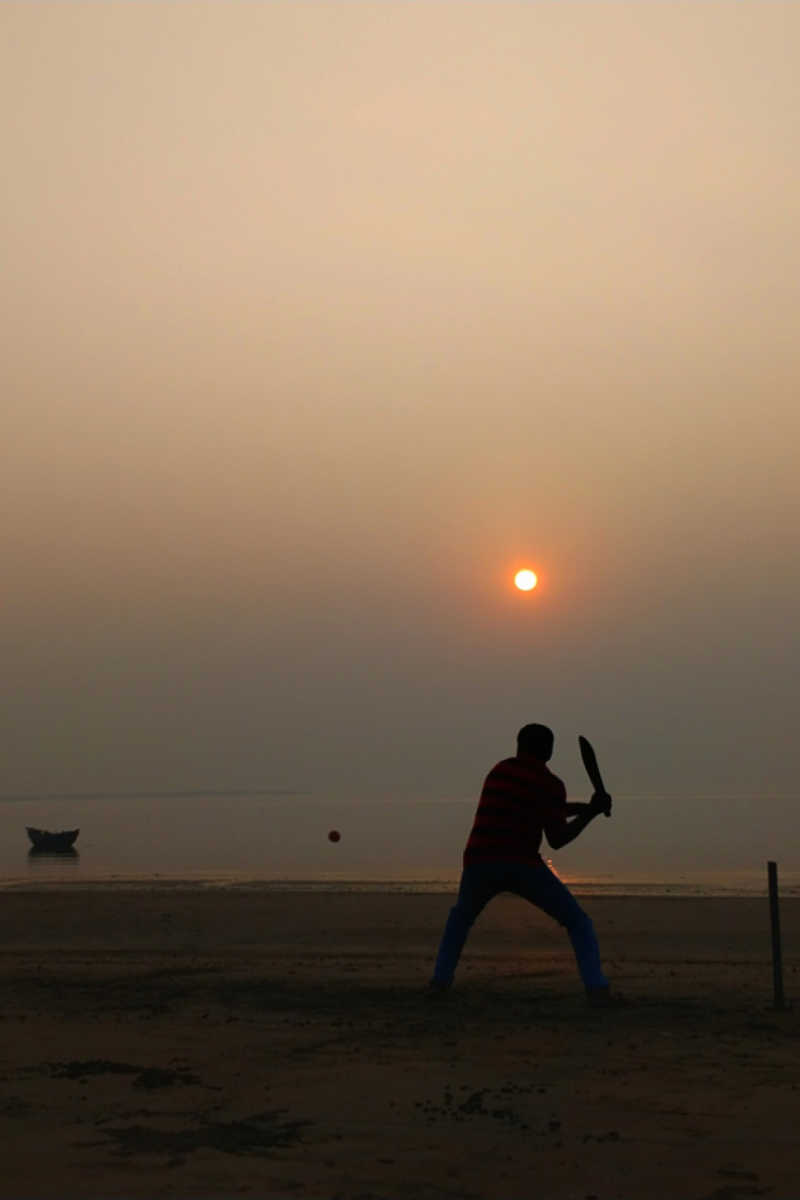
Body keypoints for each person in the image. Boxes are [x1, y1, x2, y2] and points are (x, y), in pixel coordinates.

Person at [430, 723, 612, 1004]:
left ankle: (440, 982)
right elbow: (558, 837)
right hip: (521, 865)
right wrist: (590, 814)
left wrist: (590, 808)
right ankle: (596, 988)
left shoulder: (499, 772)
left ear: (518, 745)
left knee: (461, 919)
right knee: (578, 922)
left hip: (480, 860)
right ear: (549, 751)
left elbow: (543, 808)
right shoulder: (550, 784)